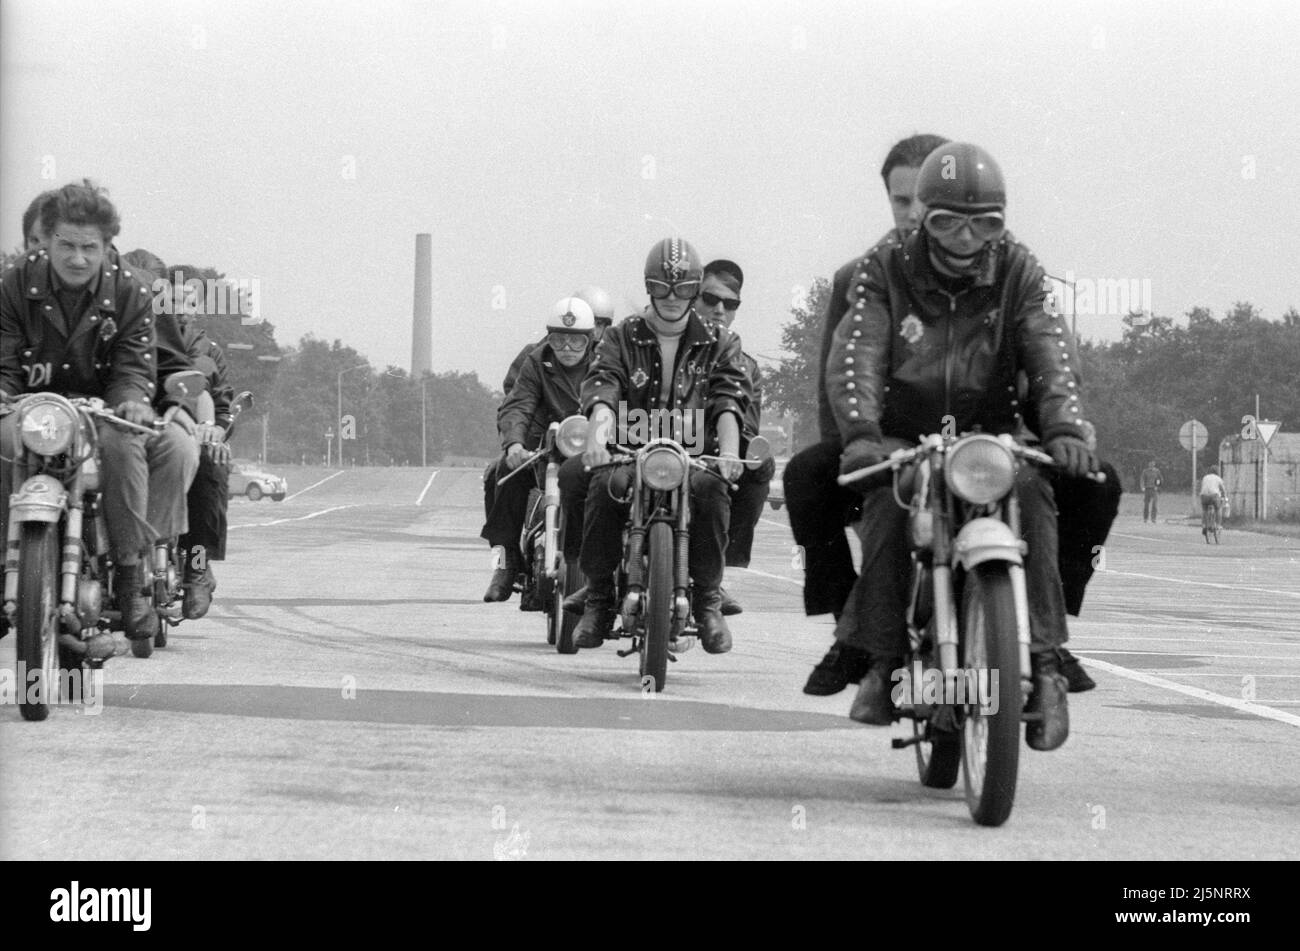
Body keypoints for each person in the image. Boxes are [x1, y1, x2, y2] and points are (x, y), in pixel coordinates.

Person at [829, 142, 1091, 751]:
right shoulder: (883, 266)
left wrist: (1067, 431)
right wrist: (863, 436)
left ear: (1001, 222)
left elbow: (1051, 351)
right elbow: (857, 354)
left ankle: (1047, 666)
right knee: (893, 501)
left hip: (994, 437)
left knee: (1037, 492)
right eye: (948, 221)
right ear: (924, 216)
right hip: (904, 434)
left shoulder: (1020, 269)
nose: (966, 237)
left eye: (985, 222)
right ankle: (883, 662)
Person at [1, 182, 199, 643]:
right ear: (46, 239)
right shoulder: (13, 283)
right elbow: (5, 359)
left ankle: (130, 576)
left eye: (89, 247)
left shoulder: (131, 290)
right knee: (5, 443)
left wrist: (131, 397)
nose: (76, 258)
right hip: (31, 407)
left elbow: (135, 364)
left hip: (104, 409)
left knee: (129, 442)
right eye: (66, 245)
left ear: (108, 246)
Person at [789, 133, 950, 695]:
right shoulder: (857, 276)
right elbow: (835, 377)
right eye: (900, 202)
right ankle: (848, 626)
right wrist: (852, 449)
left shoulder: (995, 268)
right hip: (885, 441)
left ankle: (1036, 647)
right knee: (807, 476)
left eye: (925, 199)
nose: (914, 214)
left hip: (974, 444)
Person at [557, 237, 751, 654]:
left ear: (694, 290)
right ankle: (598, 598)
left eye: (682, 289)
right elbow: (603, 387)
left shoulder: (720, 341)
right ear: (649, 287)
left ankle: (708, 601)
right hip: (629, 449)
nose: (671, 298)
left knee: (715, 492)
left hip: (694, 455)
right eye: (661, 287)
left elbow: (728, 399)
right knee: (605, 487)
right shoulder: (622, 336)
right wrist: (597, 438)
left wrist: (731, 452)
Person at [482, 297, 597, 602]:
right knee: (502, 474)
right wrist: (515, 444)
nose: (567, 349)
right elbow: (518, 403)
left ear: (590, 338)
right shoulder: (536, 360)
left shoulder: (606, 360)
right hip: (544, 446)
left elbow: (622, 403)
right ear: (549, 336)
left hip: (595, 448)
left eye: (576, 341)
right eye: (559, 339)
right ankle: (504, 564)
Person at [695, 259, 775, 615]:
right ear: (692, 297)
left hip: (715, 455)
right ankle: (596, 579)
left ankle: (720, 572)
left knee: (759, 464)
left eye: (731, 304)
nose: (719, 310)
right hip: (659, 444)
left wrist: (724, 453)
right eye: (710, 299)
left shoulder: (747, 367)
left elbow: (746, 429)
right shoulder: (668, 346)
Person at [160, 264, 236, 619]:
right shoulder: (138, 338)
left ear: (199, 307)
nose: (179, 308)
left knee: (212, 461)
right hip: (151, 428)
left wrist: (215, 430)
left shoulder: (209, 351)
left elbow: (222, 407)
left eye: (187, 302)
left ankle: (197, 568)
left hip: (194, 432)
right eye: (172, 299)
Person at [1199, 464, 1227, 538]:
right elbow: (1223, 490)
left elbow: (1203, 487)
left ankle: (1204, 525)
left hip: (1203, 495)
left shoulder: (1205, 477)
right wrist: (1224, 497)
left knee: (1204, 510)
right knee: (1218, 508)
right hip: (1214, 495)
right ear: (1217, 472)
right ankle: (1218, 525)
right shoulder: (1218, 478)